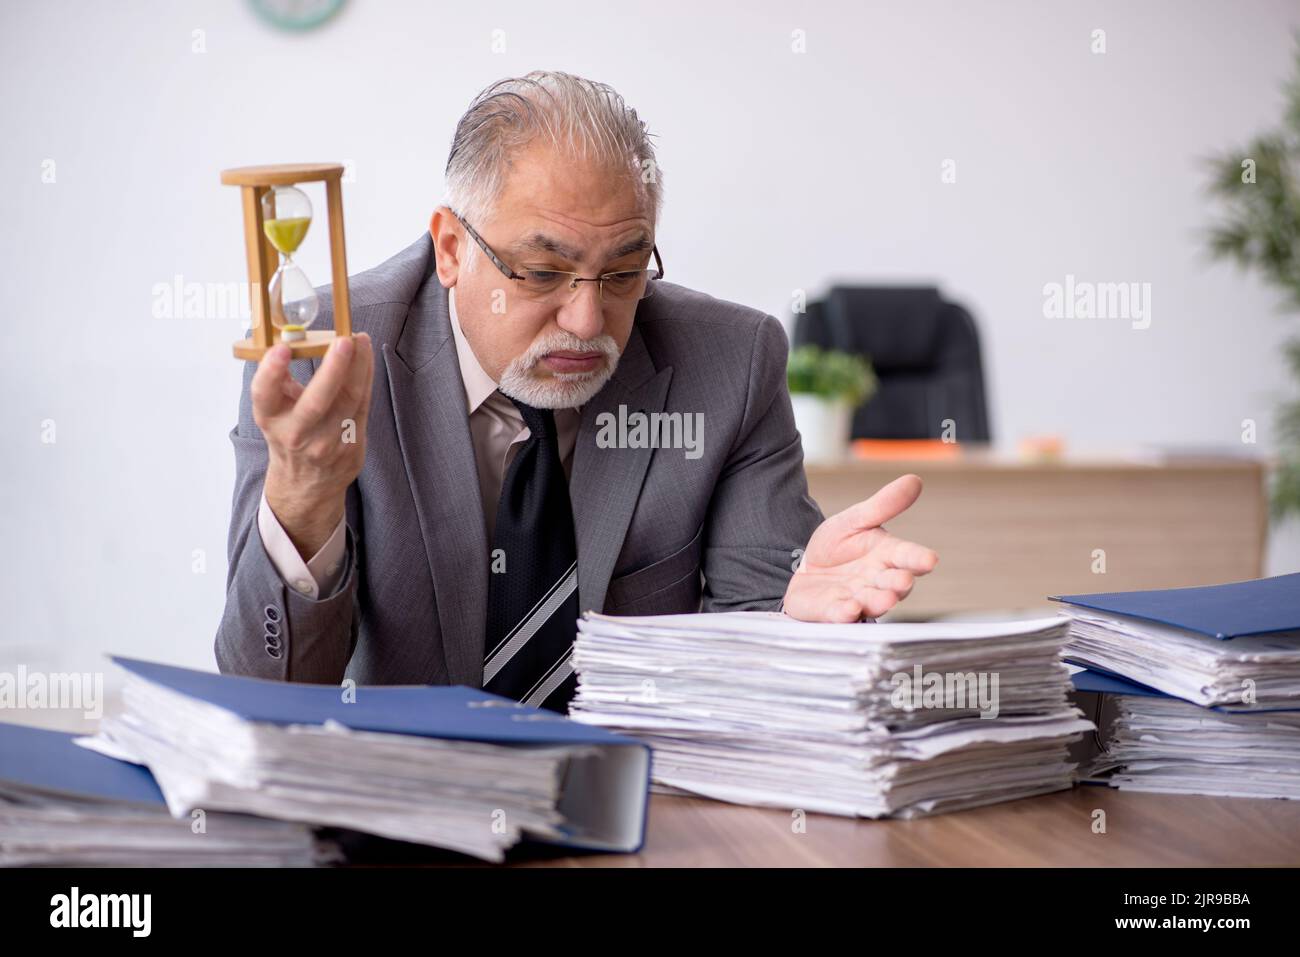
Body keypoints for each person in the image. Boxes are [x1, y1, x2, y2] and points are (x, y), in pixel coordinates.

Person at [215, 71, 937, 711]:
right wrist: (305, 506)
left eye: (623, 272)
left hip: (652, 809)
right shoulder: (325, 360)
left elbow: (760, 640)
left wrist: (799, 622)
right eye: (542, 271)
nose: (588, 320)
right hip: (410, 819)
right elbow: (266, 690)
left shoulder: (731, 362)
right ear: (450, 249)